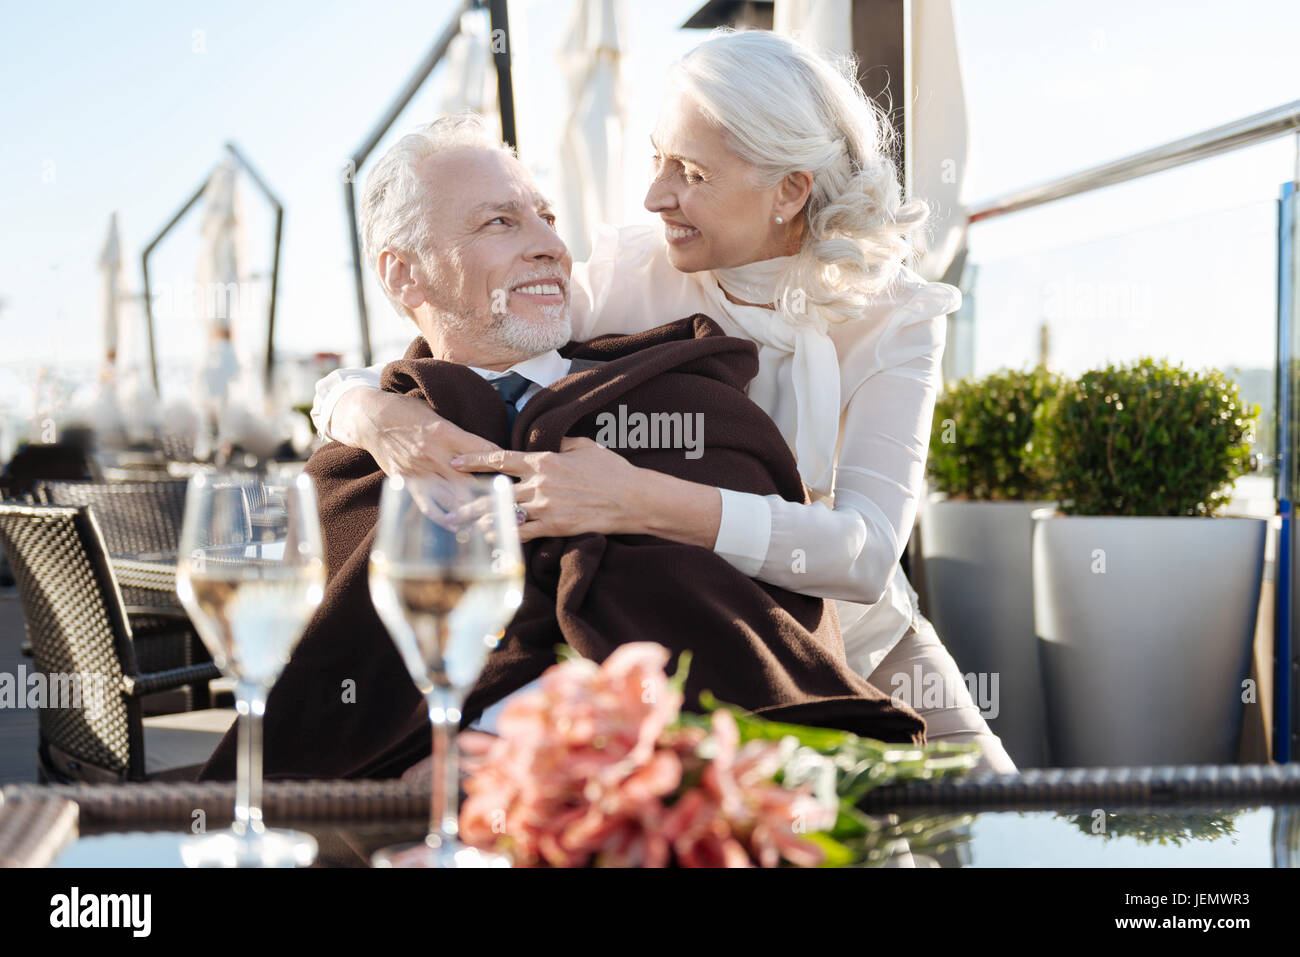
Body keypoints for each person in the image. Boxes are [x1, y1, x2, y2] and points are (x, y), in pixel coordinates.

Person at [313, 30, 1015, 772]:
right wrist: (371, 413)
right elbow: (476, 336)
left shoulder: (899, 314)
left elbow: (868, 553)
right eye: (656, 158)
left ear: (790, 190)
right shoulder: (633, 269)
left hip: (866, 639)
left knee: (998, 823)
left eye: (691, 173)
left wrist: (638, 498)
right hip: (713, 643)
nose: (655, 196)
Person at [199, 113, 927, 782]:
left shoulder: (688, 409)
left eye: (547, 217)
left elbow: (764, 641)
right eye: (501, 221)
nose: (550, 243)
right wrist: (360, 407)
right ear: (402, 273)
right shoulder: (360, 462)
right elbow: (322, 717)